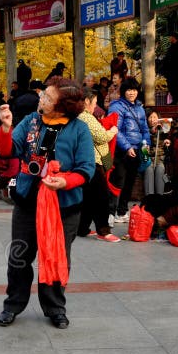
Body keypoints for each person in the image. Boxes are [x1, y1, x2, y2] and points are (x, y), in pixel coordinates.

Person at [0, 77, 95, 330]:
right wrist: (6, 128)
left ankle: (55, 307)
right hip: (28, 200)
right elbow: (8, 151)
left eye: (49, 98)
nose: (42, 99)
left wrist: (64, 181)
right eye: (44, 95)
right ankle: (13, 304)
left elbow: (86, 169)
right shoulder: (30, 121)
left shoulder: (79, 129)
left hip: (64, 206)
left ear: (63, 106)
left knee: (56, 257)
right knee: (19, 257)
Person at [77, 87, 120, 242]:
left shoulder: (79, 116)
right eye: (94, 102)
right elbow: (101, 137)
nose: (95, 106)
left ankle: (82, 228)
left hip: (85, 161)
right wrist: (113, 131)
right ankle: (103, 231)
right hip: (93, 161)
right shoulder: (86, 117)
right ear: (87, 101)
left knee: (88, 198)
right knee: (101, 197)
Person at [108, 78, 151, 223]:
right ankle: (110, 212)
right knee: (118, 181)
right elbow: (115, 130)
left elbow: (144, 129)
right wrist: (127, 147)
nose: (132, 93)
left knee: (130, 181)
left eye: (134, 90)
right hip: (121, 150)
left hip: (137, 149)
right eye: (128, 90)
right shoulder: (116, 106)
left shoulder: (139, 108)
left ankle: (122, 211)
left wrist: (146, 144)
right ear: (123, 91)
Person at [162, 32, 178, 104]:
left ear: (173, 37)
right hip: (170, 71)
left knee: (175, 85)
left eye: (170, 37)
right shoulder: (171, 47)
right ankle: (175, 99)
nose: (169, 39)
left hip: (177, 70)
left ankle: (177, 100)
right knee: (171, 85)